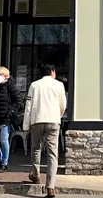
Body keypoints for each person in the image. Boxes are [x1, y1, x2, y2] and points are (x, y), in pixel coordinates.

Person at [23, 63, 67, 197]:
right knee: (53, 154)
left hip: (37, 120)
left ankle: (36, 174)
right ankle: (50, 187)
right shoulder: (59, 85)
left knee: (36, 148)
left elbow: (28, 106)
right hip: (53, 120)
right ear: (52, 72)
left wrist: (26, 125)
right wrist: (58, 116)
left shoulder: (34, 85)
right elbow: (63, 104)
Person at [0, 66, 21, 173]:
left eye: (1, 75)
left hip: (6, 119)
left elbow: (18, 101)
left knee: (4, 141)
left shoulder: (11, 87)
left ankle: (4, 163)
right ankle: (0, 158)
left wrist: (10, 112)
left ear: (6, 76)